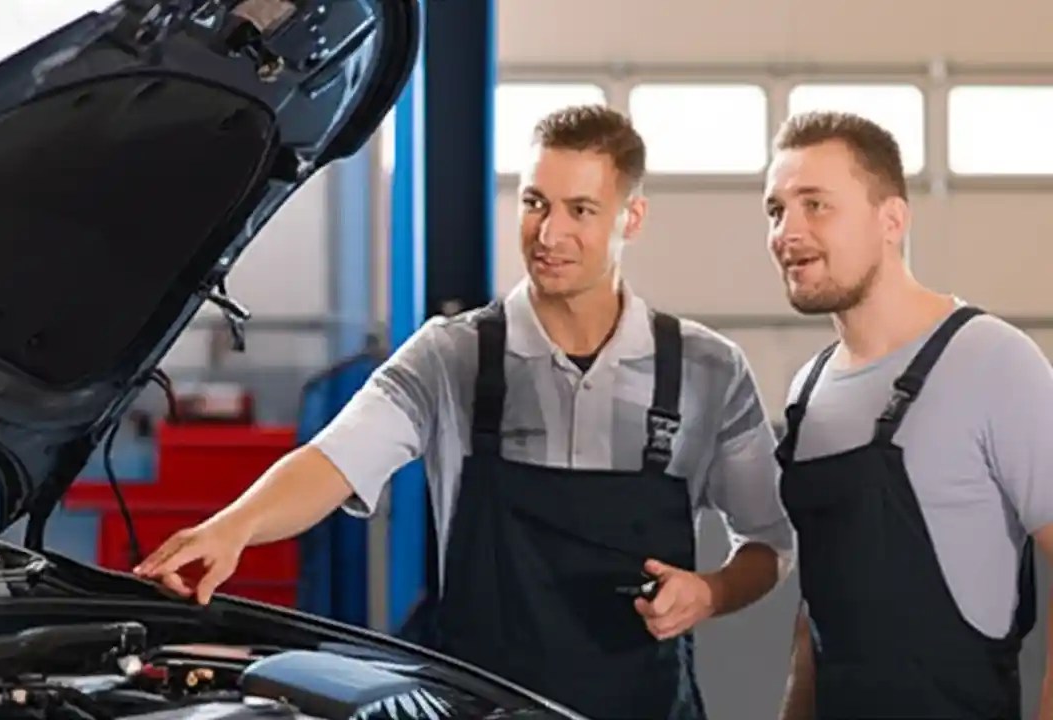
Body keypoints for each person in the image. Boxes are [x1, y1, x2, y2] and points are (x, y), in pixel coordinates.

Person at [133, 104, 796, 720]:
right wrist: (234, 527)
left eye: (581, 210)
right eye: (535, 203)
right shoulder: (453, 357)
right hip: (481, 706)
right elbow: (334, 460)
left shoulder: (706, 370)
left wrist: (709, 593)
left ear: (632, 217)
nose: (550, 232)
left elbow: (767, 542)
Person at [765, 110, 1053, 720]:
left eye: (816, 205)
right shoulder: (808, 391)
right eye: (776, 210)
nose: (788, 231)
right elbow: (816, 615)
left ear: (890, 219)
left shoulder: (992, 361)